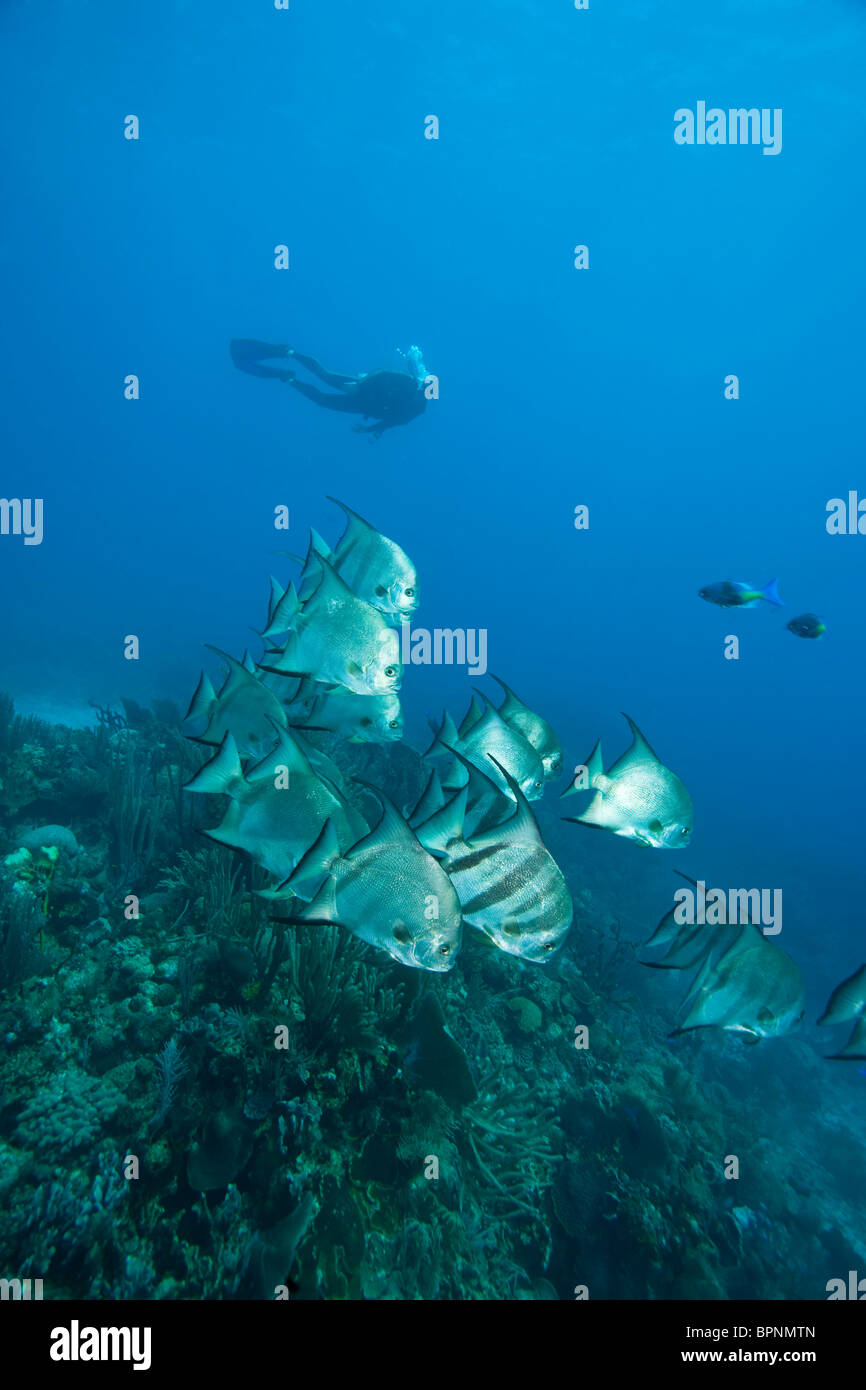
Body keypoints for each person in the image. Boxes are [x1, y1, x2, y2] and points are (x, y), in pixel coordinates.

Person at [230, 340, 428, 439]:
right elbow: (383, 374)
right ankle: (290, 353)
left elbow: (391, 422)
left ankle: (289, 379)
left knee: (322, 401)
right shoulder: (411, 383)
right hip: (362, 390)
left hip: (362, 405)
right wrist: (360, 385)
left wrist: (370, 430)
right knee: (324, 375)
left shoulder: (416, 410)